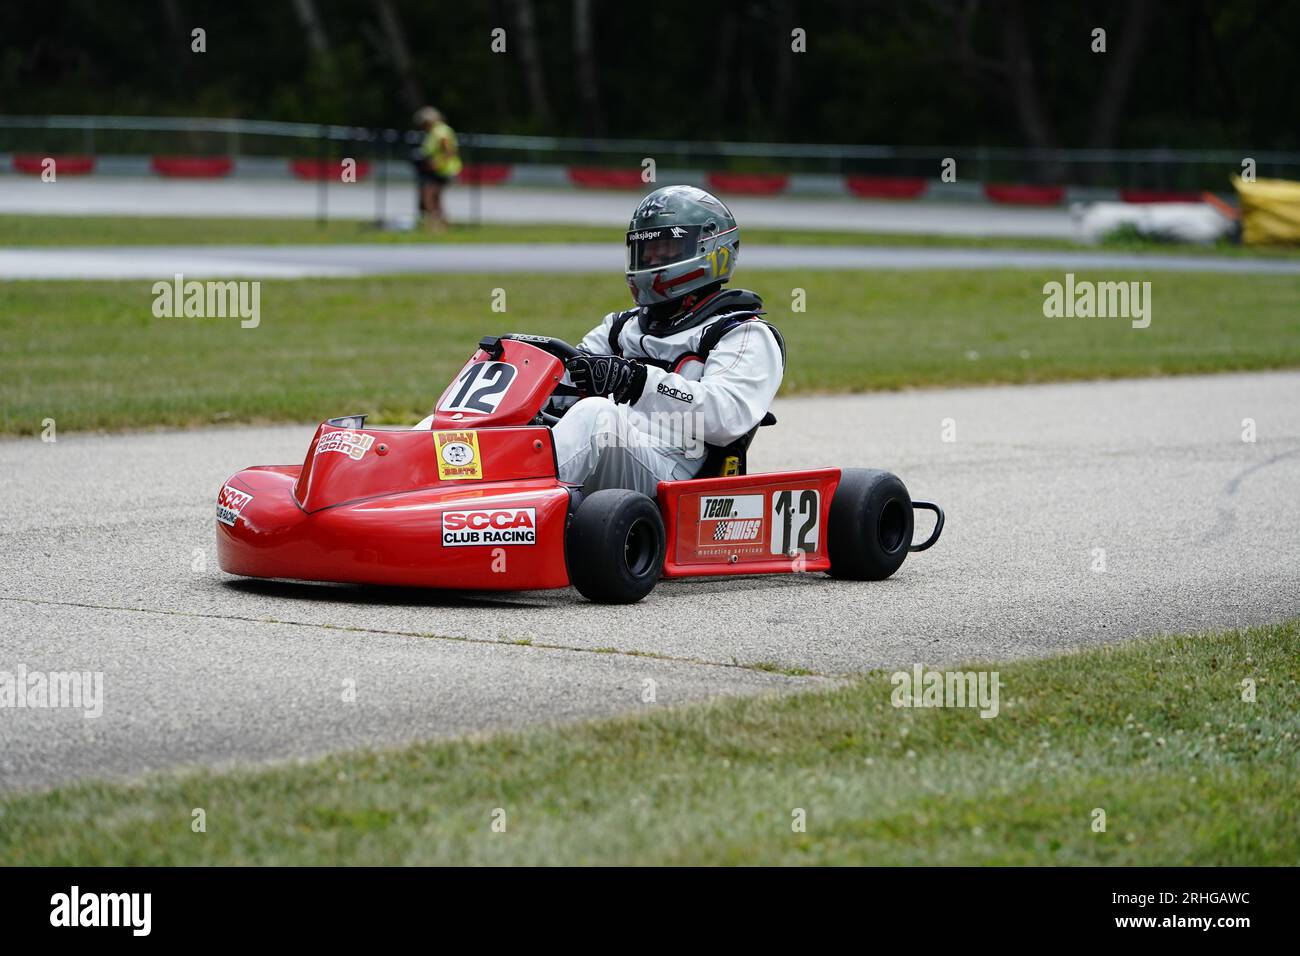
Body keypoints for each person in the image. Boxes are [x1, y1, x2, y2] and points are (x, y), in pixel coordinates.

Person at [552, 185, 785, 497]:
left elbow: (727, 416)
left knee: (595, 416)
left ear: (709, 247)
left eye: (666, 249)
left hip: (677, 477)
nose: (652, 258)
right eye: (647, 250)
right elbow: (570, 371)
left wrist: (636, 382)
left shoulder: (741, 332)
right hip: (622, 463)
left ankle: (511, 511)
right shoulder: (623, 326)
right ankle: (477, 492)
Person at [411, 106, 462, 231]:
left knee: (429, 197)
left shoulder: (440, 132)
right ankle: (441, 225)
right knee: (436, 199)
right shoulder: (437, 131)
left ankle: (435, 226)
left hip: (441, 170)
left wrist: (437, 163)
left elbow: (449, 151)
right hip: (438, 170)